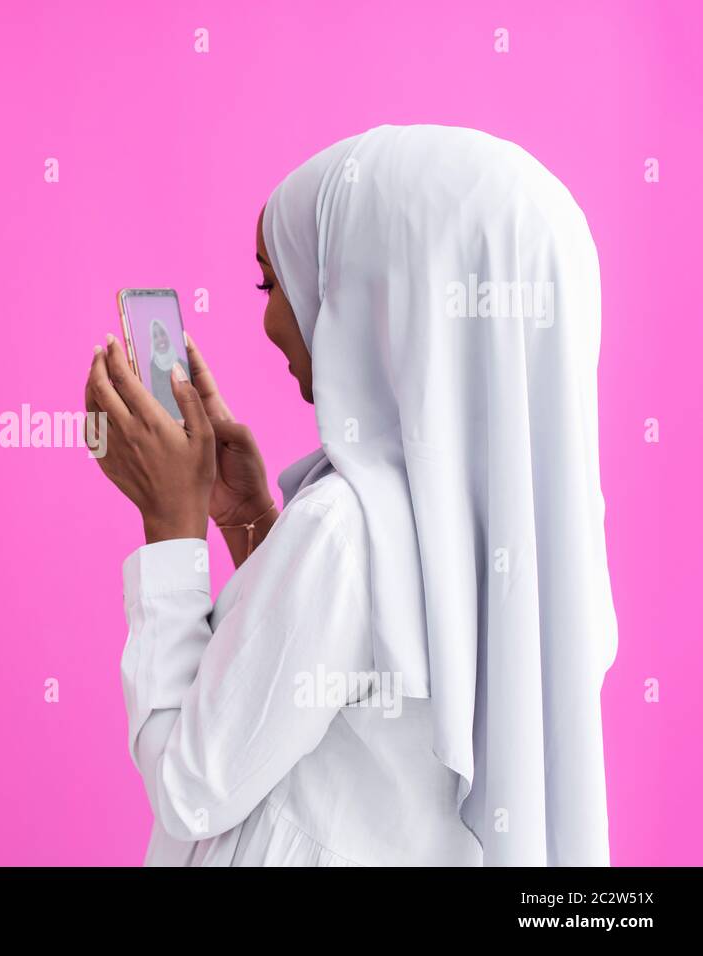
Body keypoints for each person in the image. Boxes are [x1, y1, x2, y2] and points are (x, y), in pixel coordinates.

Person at [84, 124, 618, 866]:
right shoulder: (535, 531)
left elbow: (188, 789)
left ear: (384, 285)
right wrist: (255, 529)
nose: (272, 321)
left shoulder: (343, 528)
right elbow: (356, 725)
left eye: (276, 280)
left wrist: (170, 529)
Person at [147, 319, 183, 419]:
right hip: (165, 424)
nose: (160, 339)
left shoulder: (182, 365)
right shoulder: (153, 367)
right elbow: (156, 398)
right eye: (155, 336)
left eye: (162, 334)